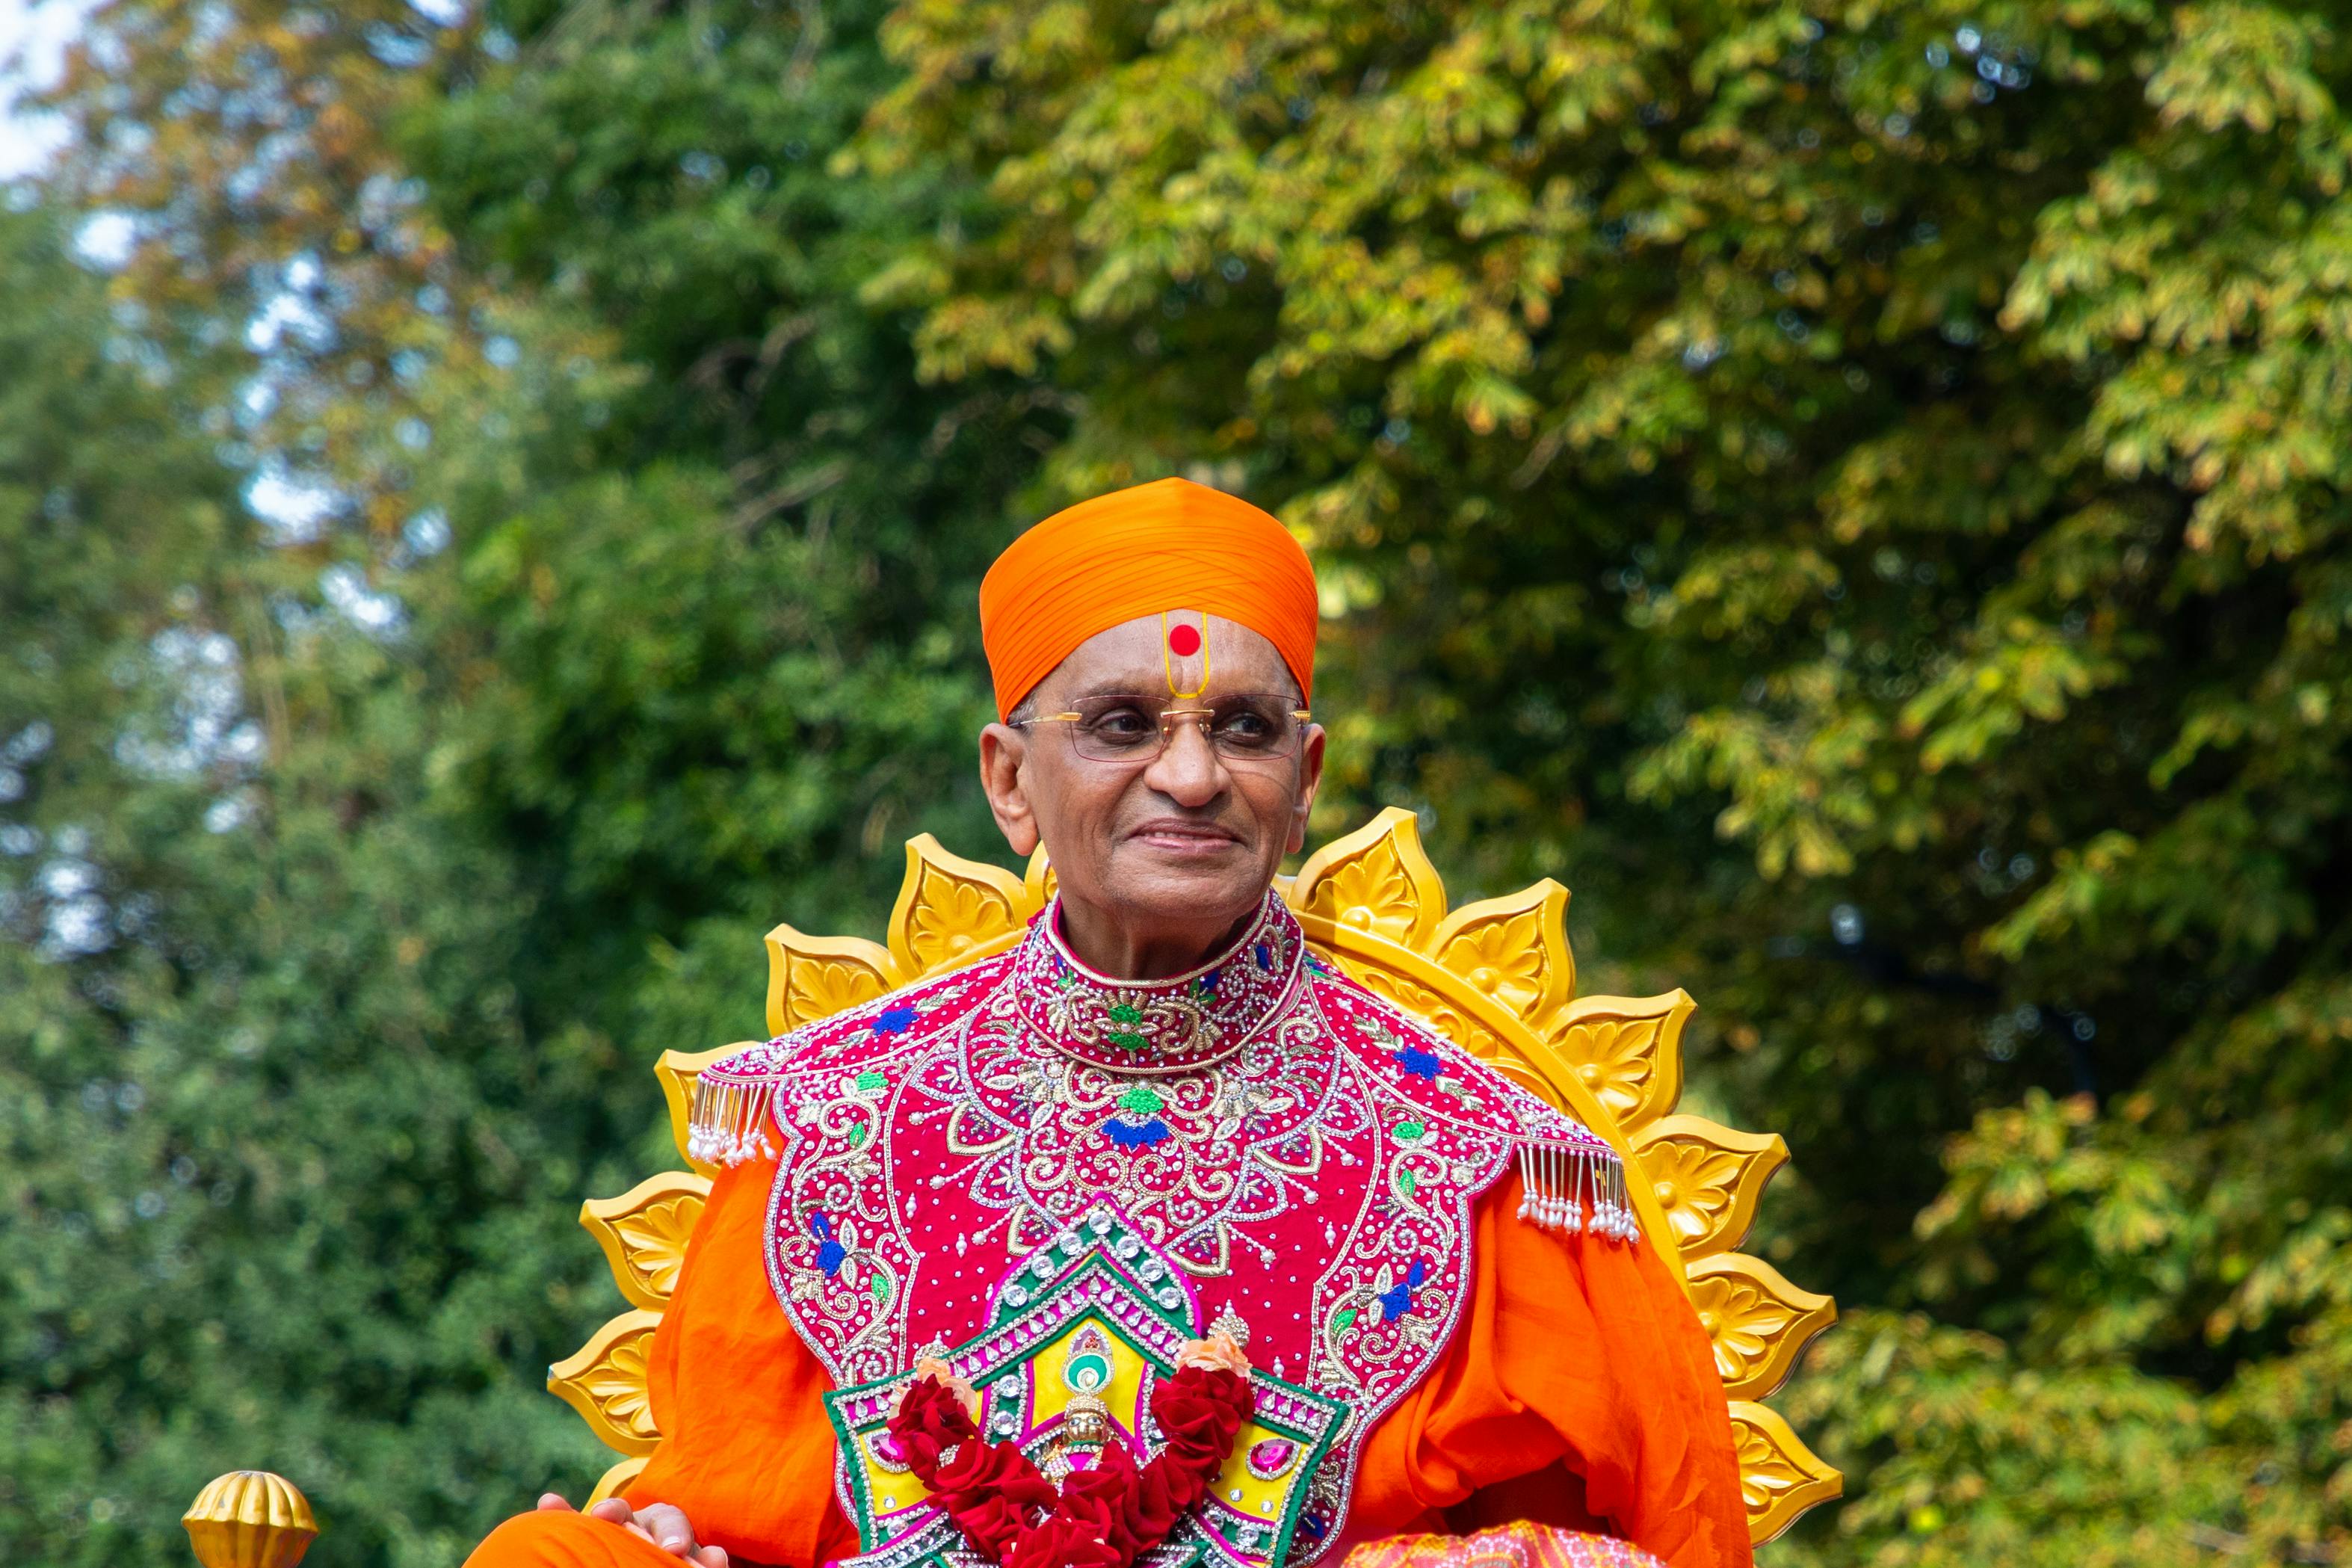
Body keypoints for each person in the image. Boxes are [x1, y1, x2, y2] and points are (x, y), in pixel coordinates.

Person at [467, 479, 1750, 1568]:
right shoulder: (831, 1125)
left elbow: (1666, 1530)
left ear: (1300, 786)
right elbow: (727, 1511)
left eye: (1242, 729)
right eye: (1123, 725)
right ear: (1009, 780)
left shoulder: (1490, 1165)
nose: (1191, 778)